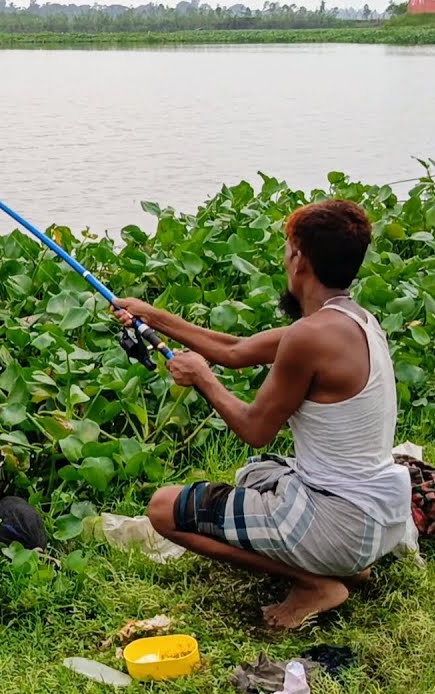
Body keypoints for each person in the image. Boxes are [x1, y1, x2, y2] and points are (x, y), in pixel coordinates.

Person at [112, 198, 410, 629]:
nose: (285, 261)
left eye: (287, 250)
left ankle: (315, 582)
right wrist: (153, 317)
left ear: (300, 260)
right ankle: (345, 563)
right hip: (379, 516)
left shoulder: (308, 336)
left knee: (163, 508)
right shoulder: (353, 319)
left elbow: (255, 429)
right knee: (255, 475)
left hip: (341, 522)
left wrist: (202, 377)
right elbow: (235, 351)